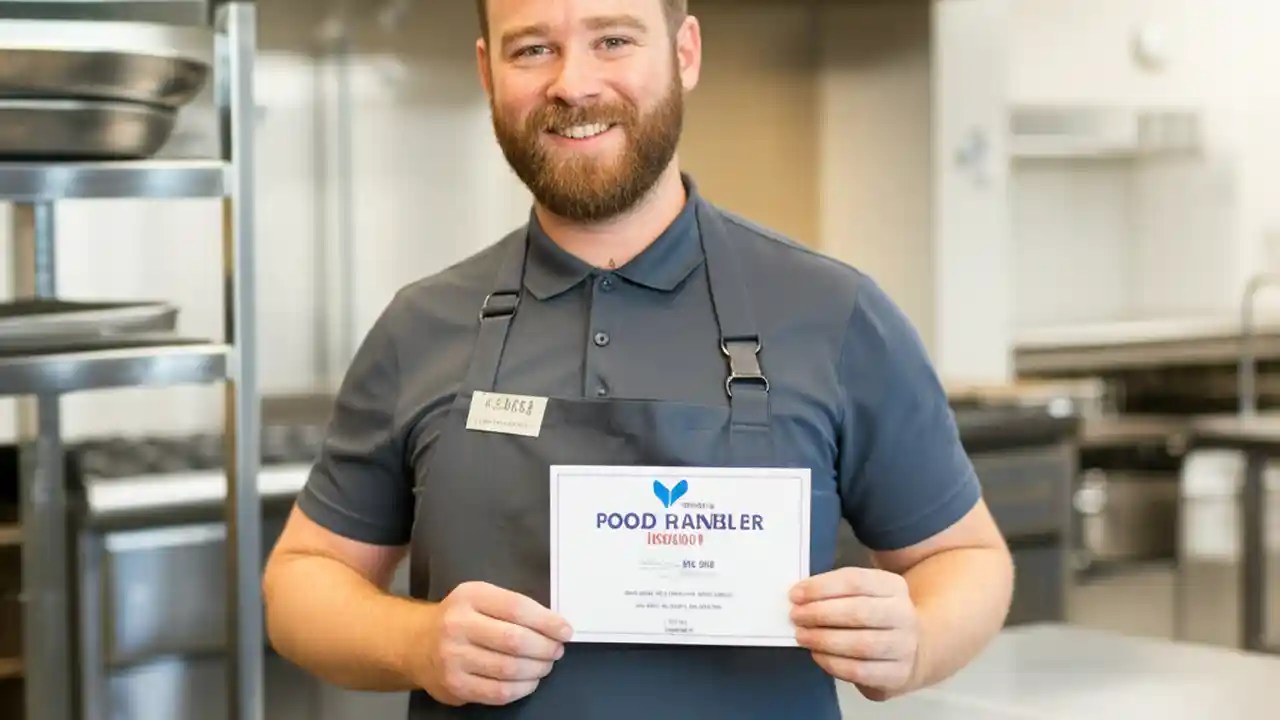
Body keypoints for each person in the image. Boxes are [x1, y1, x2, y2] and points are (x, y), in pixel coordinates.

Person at [261, 0, 1015, 717]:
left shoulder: (834, 312)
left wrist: (914, 638)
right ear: (489, 73)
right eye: (534, 49)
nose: (574, 83)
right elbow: (299, 585)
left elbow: (969, 559)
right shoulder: (420, 326)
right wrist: (416, 643)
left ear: (684, 53)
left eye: (613, 39)